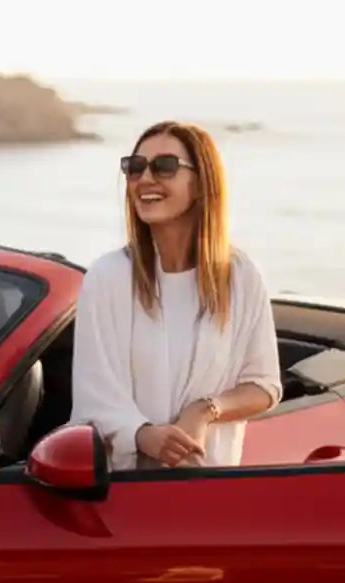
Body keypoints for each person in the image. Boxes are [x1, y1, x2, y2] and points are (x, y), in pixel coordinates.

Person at [69, 120, 283, 470]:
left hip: (207, 494)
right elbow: (93, 397)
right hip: (123, 496)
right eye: (135, 168)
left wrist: (204, 410)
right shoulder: (107, 278)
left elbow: (264, 386)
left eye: (164, 167)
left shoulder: (241, 277)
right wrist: (142, 434)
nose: (145, 179)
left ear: (200, 183)